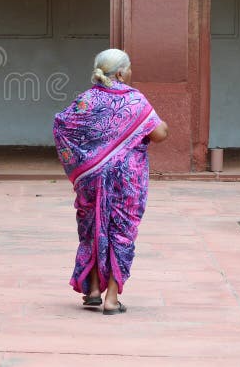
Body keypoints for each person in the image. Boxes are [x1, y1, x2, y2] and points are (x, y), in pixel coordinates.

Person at [52, 48, 168, 315]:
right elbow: (160, 133)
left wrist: (83, 162)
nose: (131, 72)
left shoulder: (85, 100)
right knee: (121, 232)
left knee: (93, 228)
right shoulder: (134, 100)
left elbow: (61, 125)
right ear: (121, 73)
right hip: (126, 180)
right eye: (129, 68)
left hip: (91, 180)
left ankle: (93, 290)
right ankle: (111, 300)